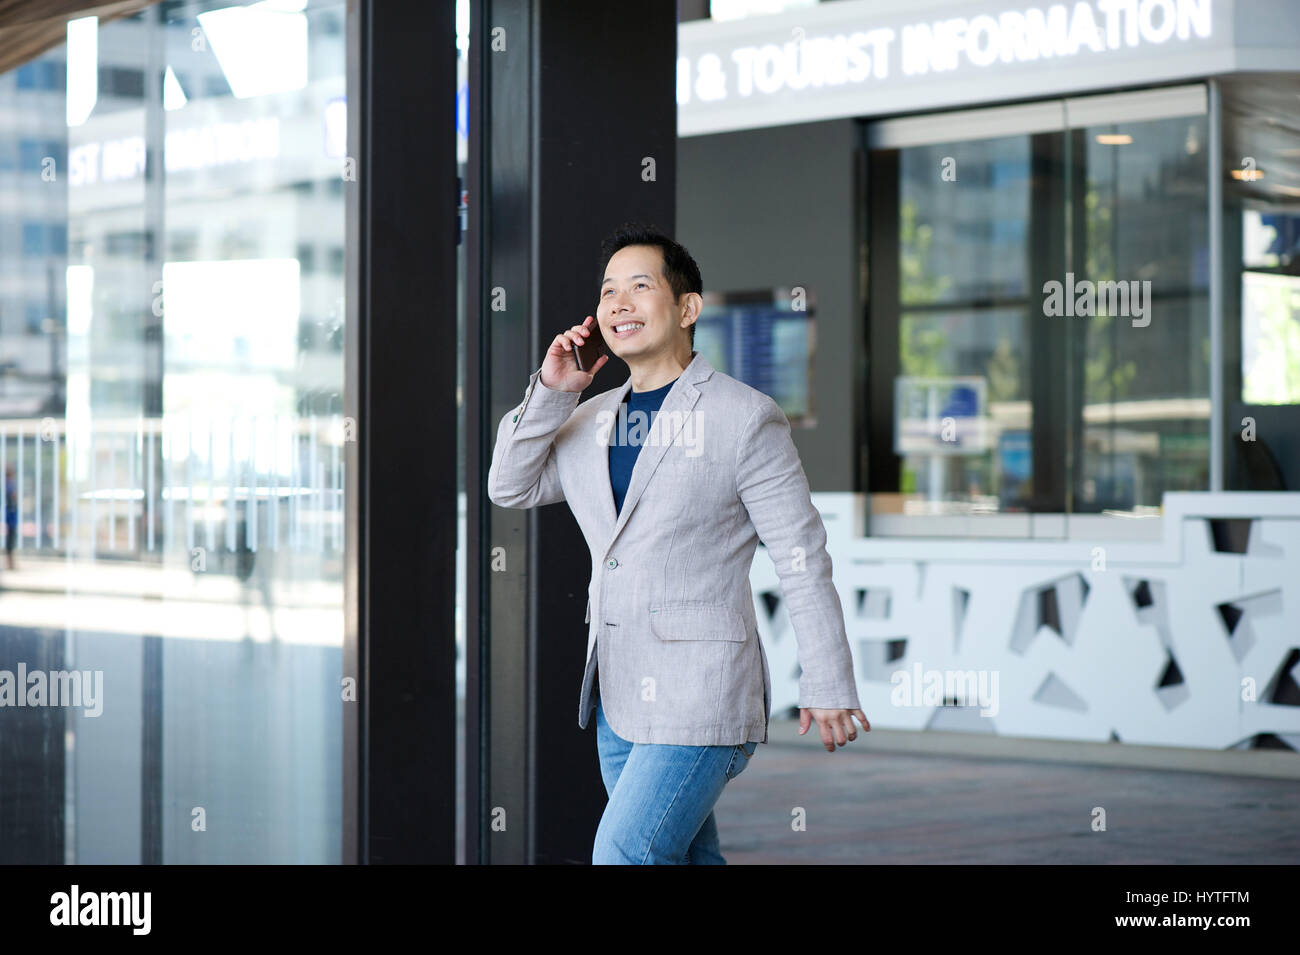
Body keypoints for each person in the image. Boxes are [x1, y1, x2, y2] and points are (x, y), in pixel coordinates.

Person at [487, 222, 869, 865]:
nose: (619, 303)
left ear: (688, 307)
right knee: (687, 856)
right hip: (617, 687)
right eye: (609, 291)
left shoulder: (744, 417)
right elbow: (509, 484)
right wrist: (552, 391)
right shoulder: (589, 418)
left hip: (702, 689)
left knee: (625, 853)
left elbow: (802, 559)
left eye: (640, 286)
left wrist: (827, 679)